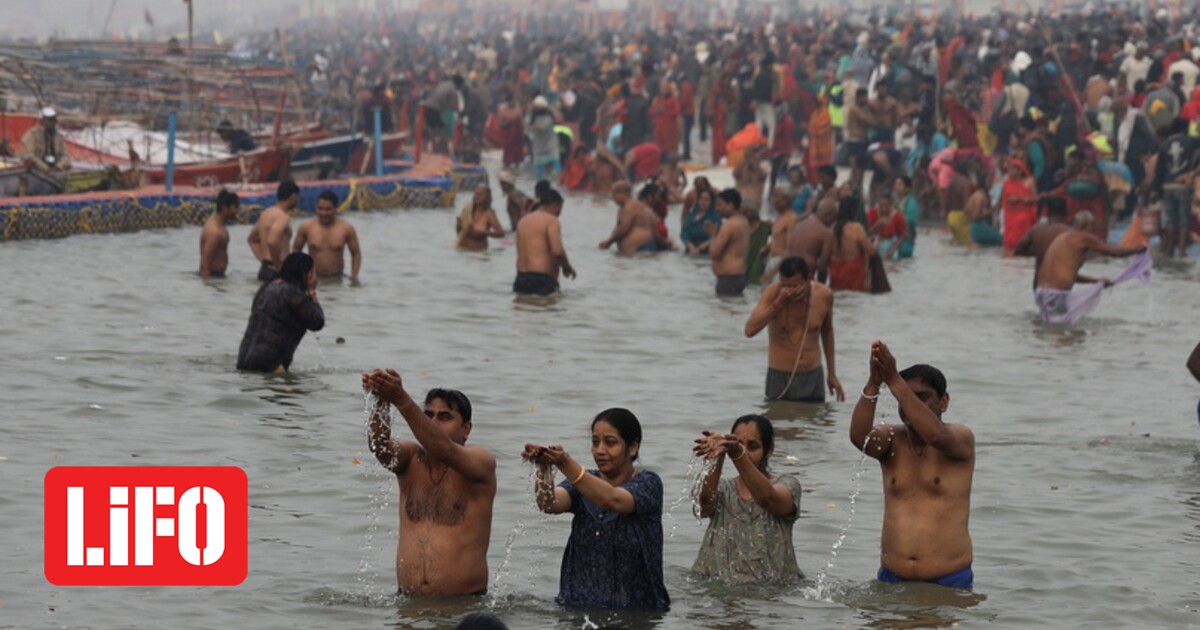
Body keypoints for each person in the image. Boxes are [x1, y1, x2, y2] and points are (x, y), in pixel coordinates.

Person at [849, 341, 975, 590]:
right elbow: (858, 438)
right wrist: (875, 382)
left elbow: (935, 436)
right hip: (891, 578)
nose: (909, 406)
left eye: (922, 398)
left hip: (948, 580)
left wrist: (894, 380)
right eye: (904, 398)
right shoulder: (891, 439)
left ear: (944, 402)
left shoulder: (960, 438)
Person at [362, 371, 496, 597]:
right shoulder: (410, 458)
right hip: (408, 606)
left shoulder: (481, 462)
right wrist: (382, 399)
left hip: (463, 606)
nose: (433, 422)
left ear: (466, 429)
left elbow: (444, 449)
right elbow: (380, 448)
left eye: (445, 417)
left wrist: (401, 399)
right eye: (428, 415)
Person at [522, 408, 669, 611]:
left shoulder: (649, 484)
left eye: (610, 443)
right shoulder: (583, 482)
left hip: (637, 609)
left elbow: (612, 499)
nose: (600, 450)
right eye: (595, 442)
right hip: (578, 605)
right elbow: (549, 503)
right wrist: (544, 467)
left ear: (633, 447)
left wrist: (564, 462)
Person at [691, 415, 804, 583]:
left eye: (753, 446)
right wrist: (719, 454)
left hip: (771, 593)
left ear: (770, 450)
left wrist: (738, 453)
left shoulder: (788, 485)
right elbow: (705, 505)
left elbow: (768, 499)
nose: (745, 452)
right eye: (739, 445)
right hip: (716, 588)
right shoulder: (723, 488)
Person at [745, 257, 844, 402]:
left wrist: (832, 374)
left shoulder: (824, 295)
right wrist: (778, 303)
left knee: (814, 422)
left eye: (795, 286)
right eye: (786, 286)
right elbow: (749, 330)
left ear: (808, 278)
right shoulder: (773, 293)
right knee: (778, 422)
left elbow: (827, 331)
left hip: (813, 374)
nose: (790, 291)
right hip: (779, 376)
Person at [1034, 211, 1148, 324]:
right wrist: (1137, 249)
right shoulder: (1083, 237)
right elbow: (1114, 252)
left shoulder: (1062, 238)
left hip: (1041, 292)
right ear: (1084, 226)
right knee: (1062, 336)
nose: (1094, 231)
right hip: (1056, 294)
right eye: (1092, 227)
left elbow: (1068, 275)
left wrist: (1096, 281)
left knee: (1054, 332)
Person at [236, 252, 324, 372]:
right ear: (305, 275)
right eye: (314, 273)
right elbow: (317, 322)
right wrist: (312, 293)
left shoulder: (266, 287)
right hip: (270, 365)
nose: (316, 278)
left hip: (243, 360)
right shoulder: (293, 293)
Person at [292, 189, 362, 283]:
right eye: (320, 209)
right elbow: (296, 249)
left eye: (328, 209)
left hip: (337, 278)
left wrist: (354, 276)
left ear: (336, 208)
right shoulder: (306, 227)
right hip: (314, 278)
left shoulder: (346, 228)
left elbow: (356, 253)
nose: (323, 213)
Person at [514, 189, 575, 296]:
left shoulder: (523, 221)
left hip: (521, 279)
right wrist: (567, 267)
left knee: (523, 309)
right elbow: (557, 252)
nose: (559, 214)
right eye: (560, 210)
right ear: (556, 206)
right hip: (541, 280)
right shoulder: (551, 220)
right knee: (548, 311)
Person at [1014, 197, 1072, 288]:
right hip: (1058, 285)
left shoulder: (1036, 229)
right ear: (1066, 212)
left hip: (1038, 283)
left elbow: (1018, 250)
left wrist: (1038, 252)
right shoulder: (1068, 232)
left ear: (1047, 212)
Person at [248, 180, 299, 282]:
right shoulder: (282, 217)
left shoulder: (266, 214)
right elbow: (272, 241)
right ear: (292, 196)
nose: (298, 200)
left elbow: (251, 239)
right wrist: (278, 267)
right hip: (278, 268)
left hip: (265, 268)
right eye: (297, 197)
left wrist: (264, 261)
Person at [599, 182, 661, 254]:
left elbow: (623, 228)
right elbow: (619, 227)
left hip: (641, 248)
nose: (612, 197)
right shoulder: (624, 207)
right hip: (634, 253)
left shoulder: (631, 206)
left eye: (613, 194)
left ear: (621, 194)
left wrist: (609, 242)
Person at [710, 189, 751, 296]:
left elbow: (714, 253)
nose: (717, 209)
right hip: (738, 276)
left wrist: (714, 235)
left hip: (729, 279)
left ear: (730, 205)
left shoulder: (729, 225)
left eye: (720, 205)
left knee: (724, 311)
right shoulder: (743, 221)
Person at [828, 197, 875, 291]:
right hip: (853, 273)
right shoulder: (856, 228)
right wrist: (875, 242)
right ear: (853, 211)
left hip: (835, 272)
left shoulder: (831, 228)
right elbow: (871, 251)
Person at [787, 198, 837, 282]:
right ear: (829, 214)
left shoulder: (798, 225)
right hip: (804, 274)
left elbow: (787, 251)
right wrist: (821, 287)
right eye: (834, 218)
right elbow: (823, 266)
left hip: (787, 271)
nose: (833, 222)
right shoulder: (826, 233)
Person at [199, 189, 240, 278]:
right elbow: (205, 266)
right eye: (235, 208)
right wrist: (209, 287)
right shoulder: (214, 231)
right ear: (224, 208)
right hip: (213, 278)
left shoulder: (221, 226)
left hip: (219, 278)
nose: (237, 211)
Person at [454, 184, 505, 252]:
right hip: (464, 253)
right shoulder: (467, 211)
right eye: (476, 194)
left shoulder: (488, 214)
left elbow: (501, 233)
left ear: (487, 197)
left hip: (480, 253)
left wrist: (484, 232)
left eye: (481, 194)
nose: (477, 197)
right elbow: (460, 235)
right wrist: (458, 225)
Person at [20, 107, 71, 173]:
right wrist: (45, 168)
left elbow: (65, 156)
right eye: (50, 120)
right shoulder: (32, 135)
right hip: (36, 172)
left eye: (54, 120)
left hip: (55, 171)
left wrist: (58, 167)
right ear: (42, 121)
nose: (53, 123)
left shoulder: (59, 137)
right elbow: (28, 156)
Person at [867, 195, 909, 260]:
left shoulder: (898, 217)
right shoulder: (871, 213)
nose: (884, 209)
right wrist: (877, 225)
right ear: (878, 205)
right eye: (881, 206)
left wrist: (891, 251)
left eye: (887, 206)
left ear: (891, 205)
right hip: (873, 243)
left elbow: (902, 236)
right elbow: (865, 233)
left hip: (891, 244)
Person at [680, 188, 721, 255]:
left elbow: (719, 235)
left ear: (711, 202)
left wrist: (706, 244)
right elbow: (684, 233)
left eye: (706, 199)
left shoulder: (715, 217)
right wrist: (691, 246)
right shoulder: (691, 216)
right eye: (701, 198)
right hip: (690, 251)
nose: (703, 201)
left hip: (706, 252)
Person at [893, 176, 919, 259]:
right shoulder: (892, 200)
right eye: (895, 184)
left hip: (906, 240)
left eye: (899, 184)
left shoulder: (912, 202)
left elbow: (911, 221)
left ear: (907, 188)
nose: (896, 187)